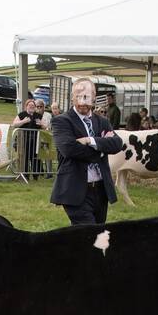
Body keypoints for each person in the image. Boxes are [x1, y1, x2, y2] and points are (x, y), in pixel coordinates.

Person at [49, 78, 123, 225]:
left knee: (95, 235)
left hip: (101, 190)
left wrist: (91, 141)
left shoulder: (102, 121)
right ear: (72, 97)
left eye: (86, 97)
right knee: (88, 233)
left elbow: (117, 143)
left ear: (94, 97)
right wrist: (102, 150)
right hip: (75, 189)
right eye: (78, 96)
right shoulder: (61, 121)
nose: (82, 102)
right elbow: (69, 149)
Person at [12, 97, 42, 181]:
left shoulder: (38, 116)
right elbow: (14, 124)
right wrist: (23, 122)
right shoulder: (22, 114)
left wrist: (42, 124)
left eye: (33, 105)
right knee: (25, 157)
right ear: (26, 106)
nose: (32, 106)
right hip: (24, 140)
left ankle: (36, 175)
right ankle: (25, 175)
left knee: (35, 158)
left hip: (36, 140)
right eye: (30, 105)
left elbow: (45, 126)